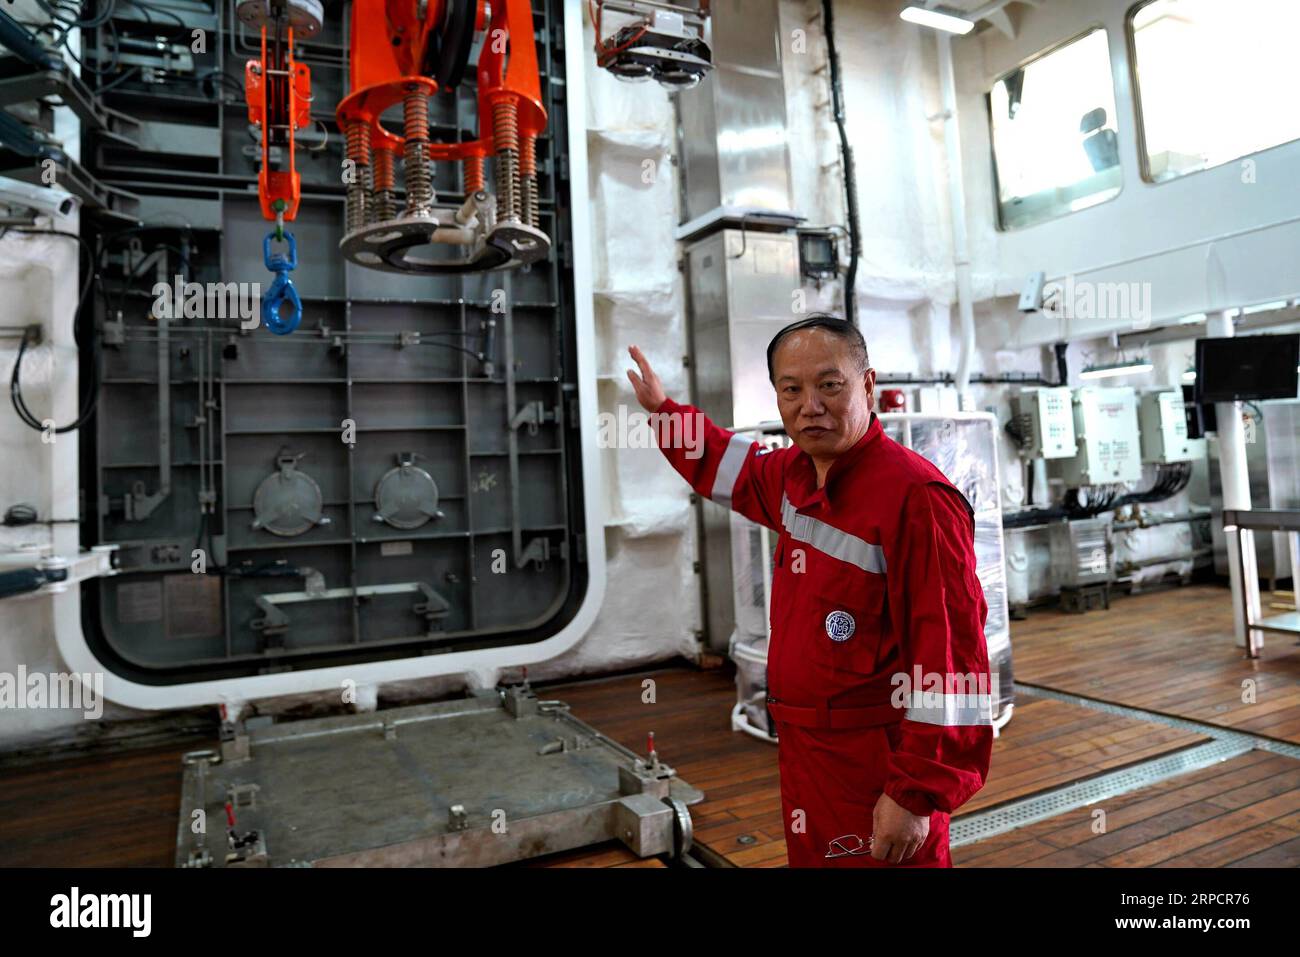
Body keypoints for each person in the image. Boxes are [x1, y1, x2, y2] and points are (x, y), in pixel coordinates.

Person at [626, 313, 994, 867]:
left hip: (879, 759)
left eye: (829, 385)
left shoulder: (916, 498)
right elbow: (727, 464)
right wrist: (664, 413)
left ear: (867, 385)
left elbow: (952, 662)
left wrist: (915, 792)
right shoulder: (795, 476)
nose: (810, 406)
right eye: (791, 390)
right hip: (806, 750)